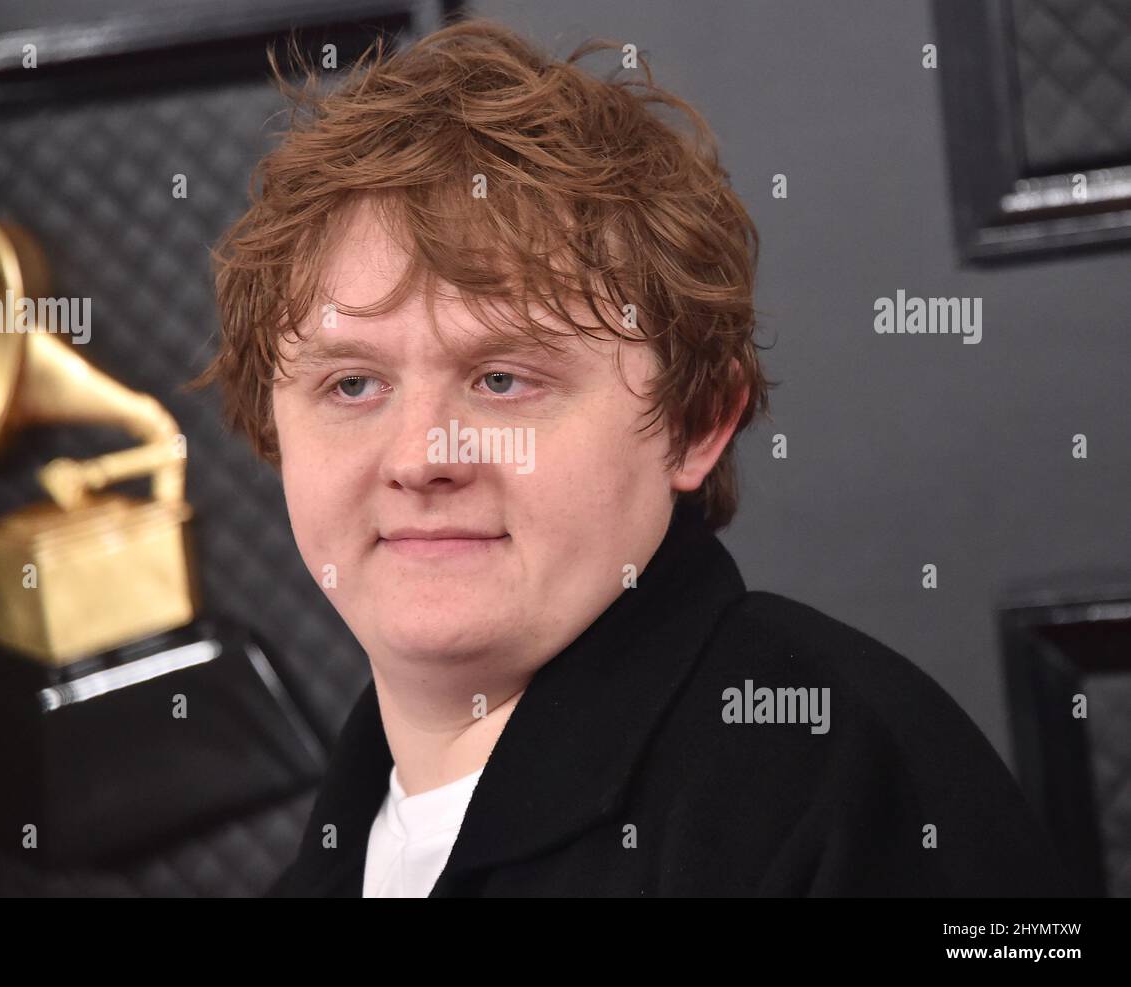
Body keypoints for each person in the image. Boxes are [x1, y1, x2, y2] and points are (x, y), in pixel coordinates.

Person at [193, 19, 1075, 896]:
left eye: (503, 378)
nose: (423, 457)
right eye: (352, 385)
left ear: (693, 421)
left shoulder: (844, 776)